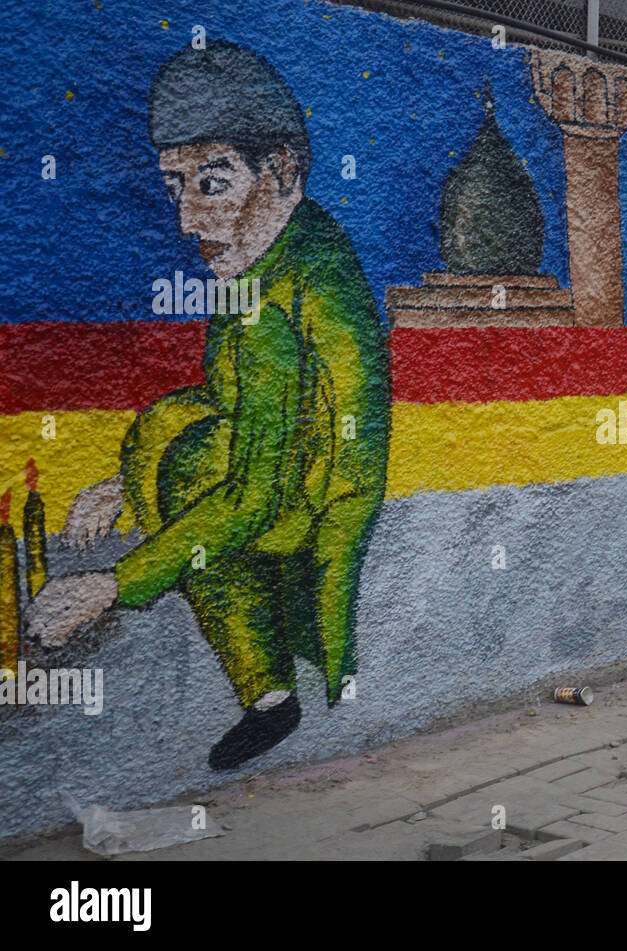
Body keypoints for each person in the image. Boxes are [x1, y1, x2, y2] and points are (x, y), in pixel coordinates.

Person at [25, 41, 391, 771]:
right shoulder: (272, 252)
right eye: (175, 187)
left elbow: (256, 491)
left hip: (311, 496)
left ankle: (268, 691)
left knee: (192, 474)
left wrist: (108, 585)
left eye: (213, 182)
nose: (188, 219)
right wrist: (126, 483)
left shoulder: (282, 300)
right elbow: (230, 401)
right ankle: (267, 696)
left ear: (283, 170)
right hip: (279, 460)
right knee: (166, 426)